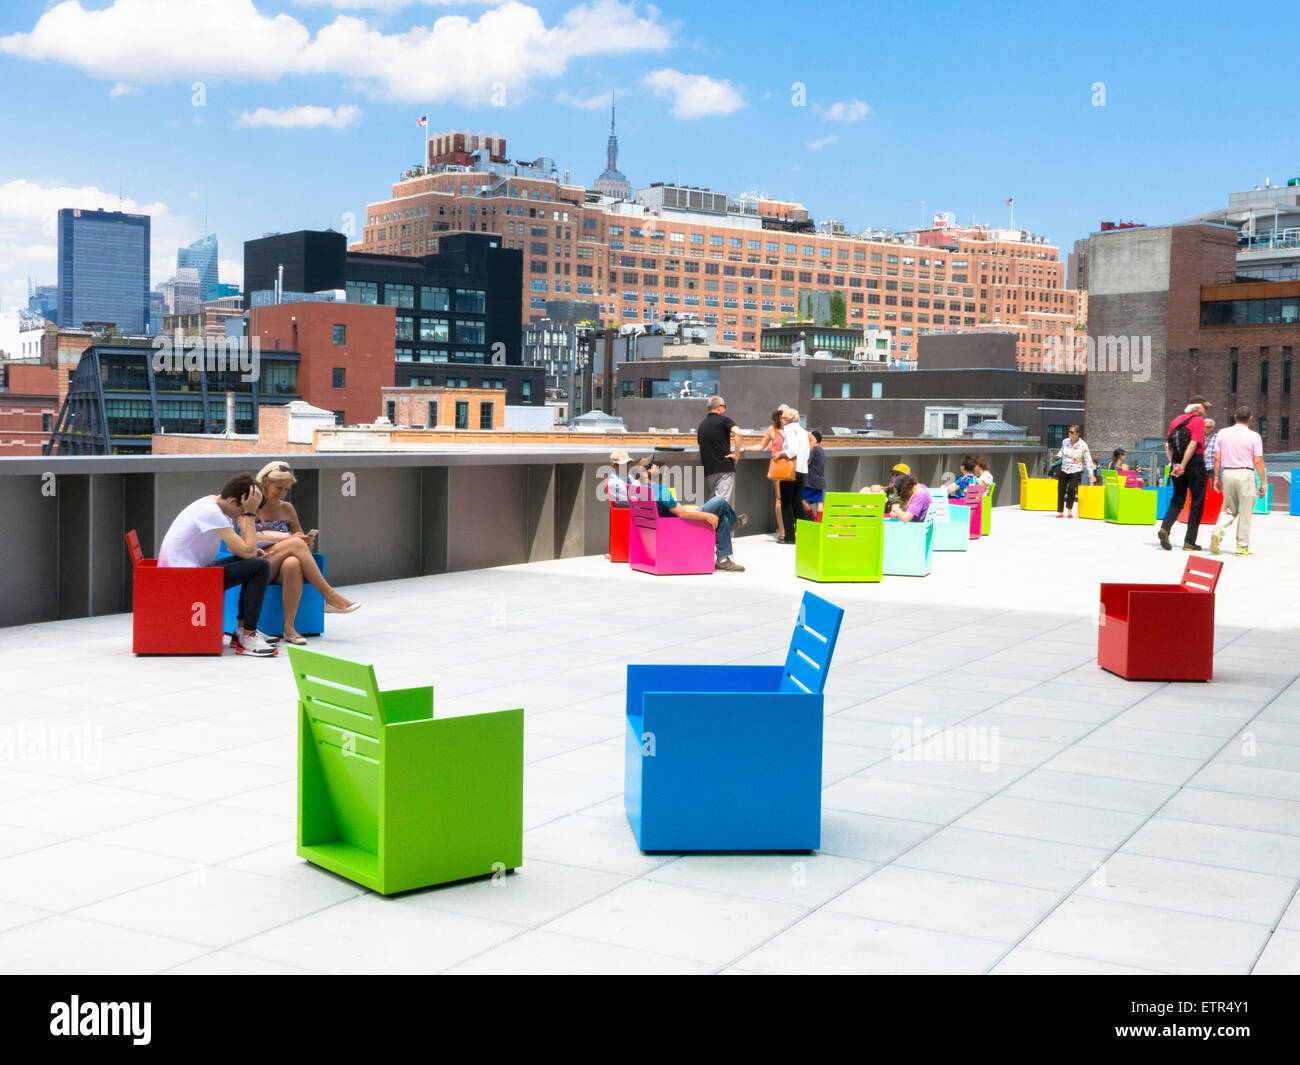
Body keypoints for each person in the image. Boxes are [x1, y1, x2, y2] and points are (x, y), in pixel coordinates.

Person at [157, 473, 276, 657]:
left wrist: (251, 553)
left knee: (255, 563)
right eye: (241, 511)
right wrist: (250, 514)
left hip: (188, 572)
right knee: (260, 567)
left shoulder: (215, 506)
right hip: (181, 579)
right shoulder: (211, 512)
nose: (241, 516)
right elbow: (248, 551)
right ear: (232, 501)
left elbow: (238, 549)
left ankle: (243, 630)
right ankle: (248, 636)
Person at [248, 461, 360, 645]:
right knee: (294, 543)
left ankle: (289, 628)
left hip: (281, 567)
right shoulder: (251, 504)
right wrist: (289, 539)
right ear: (266, 482)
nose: (282, 494)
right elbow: (250, 537)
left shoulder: (287, 508)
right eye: (279, 488)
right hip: (258, 563)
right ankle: (329, 596)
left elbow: (301, 544)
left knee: (293, 563)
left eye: (286, 490)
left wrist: (307, 541)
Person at [638, 457, 748, 571]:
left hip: (669, 523)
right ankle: (733, 524)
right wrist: (706, 516)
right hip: (681, 523)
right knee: (719, 501)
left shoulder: (641, 490)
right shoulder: (660, 490)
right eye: (651, 465)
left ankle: (723, 560)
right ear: (644, 473)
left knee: (722, 517)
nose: (656, 465)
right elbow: (681, 513)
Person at [1209, 405, 1267, 557]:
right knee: (1245, 511)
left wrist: (1216, 477)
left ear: (1235, 417)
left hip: (1228, 473)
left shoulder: (1222, 433)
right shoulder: (1254, 436)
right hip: (1246, 474)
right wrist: (1263, 482)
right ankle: (1242, 546)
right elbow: (1258, 461)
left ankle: (1218, 531)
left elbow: (1217, 458)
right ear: (1250, 419)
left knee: (1228, 509)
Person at [1158, 396, 1210, 551]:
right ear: (1198, 408)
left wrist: (1174, 464)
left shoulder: (1176, 421)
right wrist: (1184, 465)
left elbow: (1167, 445)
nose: (1206, 410)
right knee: (1197, 502)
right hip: (1194, 463)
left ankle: (1165, 528)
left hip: (1176, 462)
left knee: (1177, 500)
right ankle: (1189, 542)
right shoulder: (1198, 421)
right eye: (1205, 407)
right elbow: (1193, 445)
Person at [742, 409, 787, 540]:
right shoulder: (772, 429)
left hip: (792, 467)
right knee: (780, 499)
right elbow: (761, 446)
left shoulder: (794, 429)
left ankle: (791, 528)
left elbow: (811, 440)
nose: (784, 419)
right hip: (777, 467)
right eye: (782, 416)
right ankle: (782, 532)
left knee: (792, 499)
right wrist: (745, 448)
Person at [696, 395, 742, 504]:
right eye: (724, 406)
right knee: (722, 504)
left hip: (709, 470)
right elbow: (738, 433)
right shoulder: (724, 421)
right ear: (719, 407)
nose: (724, 409)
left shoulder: (702, 425)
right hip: (724, 468)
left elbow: (700, 446)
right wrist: (736, 455)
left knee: (714, 502)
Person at [775, 408, 810, 543]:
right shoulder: (802, 431)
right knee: (797, 503)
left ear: (788, 420)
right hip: (802, 470)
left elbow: (793, 451)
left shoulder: (789, 429)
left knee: (786, 504)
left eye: (783, 418)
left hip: (790, 471)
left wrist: (780, 453)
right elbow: (805, 452)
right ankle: (804, 535)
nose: (781, 420)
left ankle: (789, 537)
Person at [1055, 425, 1097, 518]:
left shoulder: (1083, 445)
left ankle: (1069, 509)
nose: (1069, 433)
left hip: (1076, 469)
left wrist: (1091, 473)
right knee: (1061, 489)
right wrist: (1058, 455)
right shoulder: (1065, 441)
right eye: (1069, 431)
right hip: (1064, 468)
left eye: (1072, 432)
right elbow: (1062, 450)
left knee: (1071, 488)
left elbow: (1088, 459)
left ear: (1078, 434)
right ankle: (1060, 511)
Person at [803, 430, 826, 522]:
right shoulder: (821, 450)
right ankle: (819, 520)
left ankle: (812, 517)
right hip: (820, 480)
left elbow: (807, 462)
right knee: (819, 501)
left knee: (802, 499)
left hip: (811, 480)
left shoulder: (813, 449)